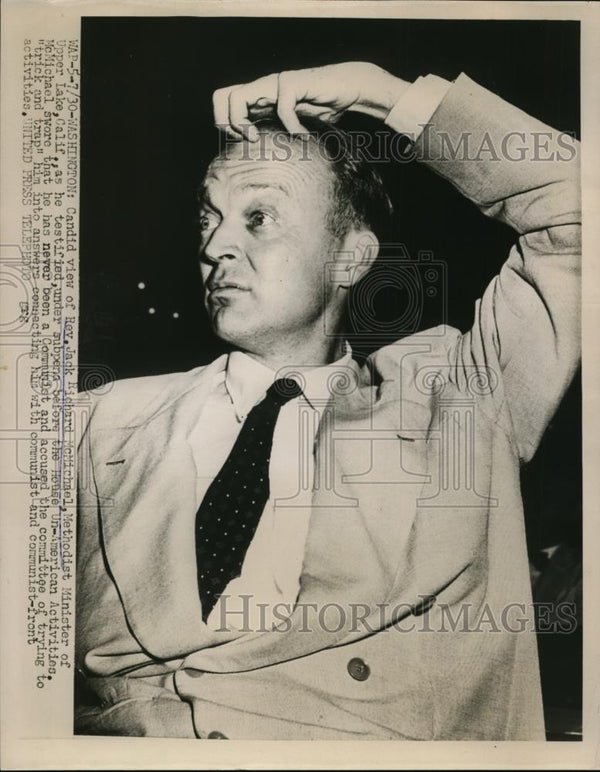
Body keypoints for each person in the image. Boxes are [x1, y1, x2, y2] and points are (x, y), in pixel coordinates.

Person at [75, 62, 580, 739]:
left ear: (351, 258)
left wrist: (385, 95)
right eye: (208, 218)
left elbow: (579, 209)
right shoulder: (98, 421)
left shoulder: (459, 403)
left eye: (259, 217)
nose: (216, 245)